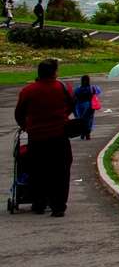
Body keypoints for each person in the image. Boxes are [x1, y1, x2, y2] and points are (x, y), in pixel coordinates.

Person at [15, 58, 75, 216]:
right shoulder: (62, 87)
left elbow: (19, 113)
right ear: (55, 72)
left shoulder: (28, 91)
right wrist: (62, 117)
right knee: (61, 171)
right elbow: (71, 105)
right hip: (59, 135)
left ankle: (39, 203)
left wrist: (26, 126)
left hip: (36, 137)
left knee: (38, 171)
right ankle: (58, 206)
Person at [74, 74, 101, 140]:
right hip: (90, 105)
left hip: (80, 105)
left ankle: (82, 133)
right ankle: (87, 133)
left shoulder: (78, 88)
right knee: (89, 119)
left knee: (81, 119)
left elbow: (75, 96)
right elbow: (98, 92)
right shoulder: (92, 88)